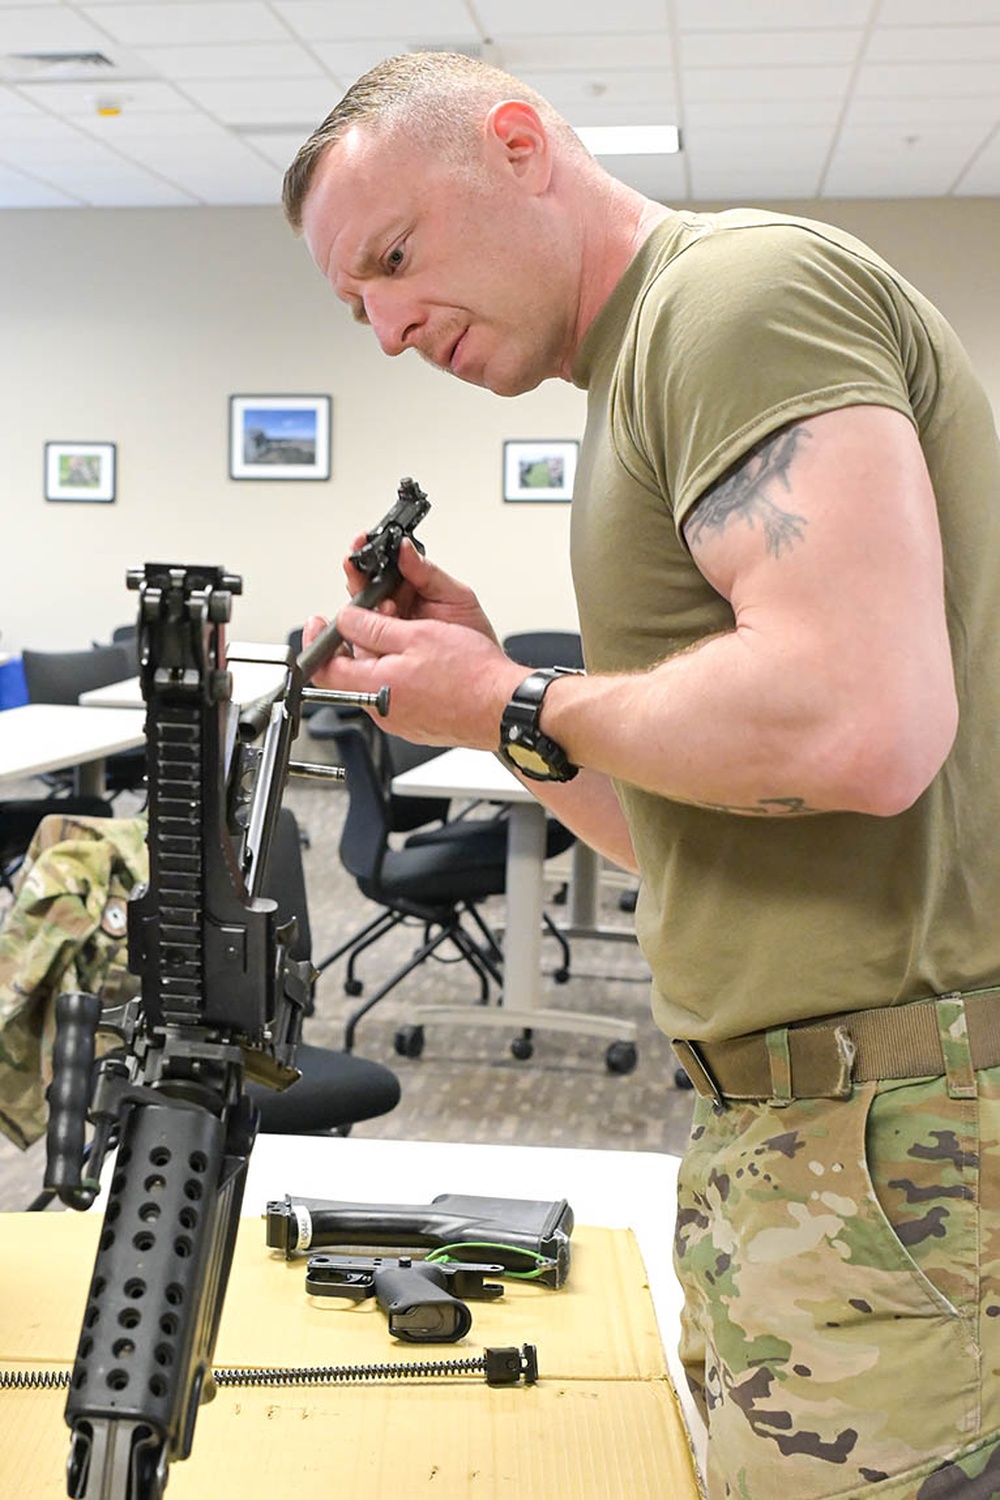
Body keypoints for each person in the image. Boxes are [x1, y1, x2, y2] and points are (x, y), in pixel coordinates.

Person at [282, 52, 1000, 1500]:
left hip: (897, 1139)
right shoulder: (633, 384)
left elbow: (863, 726)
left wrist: (512, 690)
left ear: (521, 145)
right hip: (793, 1134)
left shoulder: (735, 299)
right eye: (357, 302)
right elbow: (688, 828)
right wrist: (494, 705)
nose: (389, 327)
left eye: (397, 257)